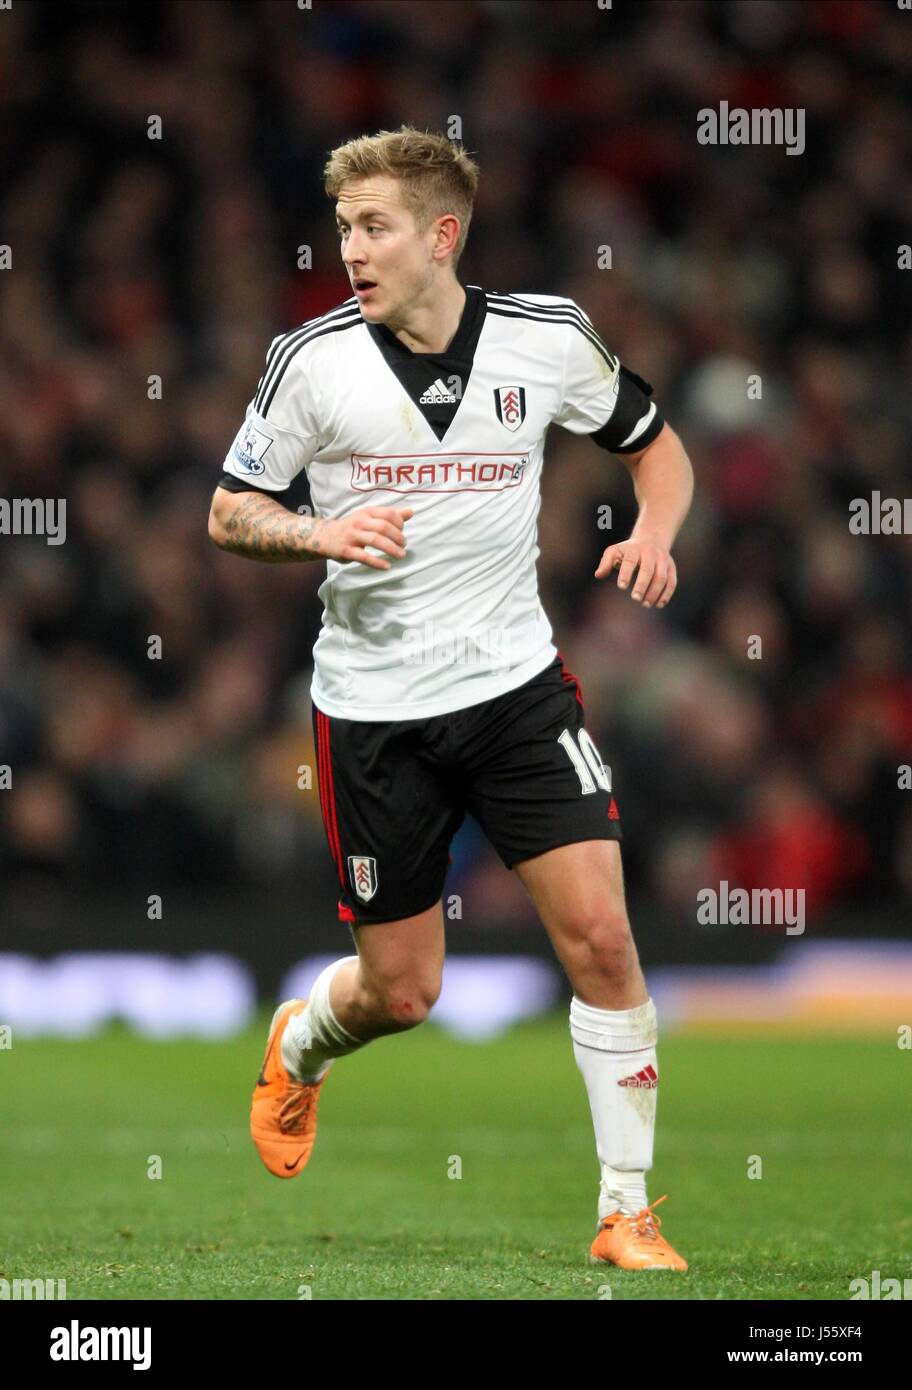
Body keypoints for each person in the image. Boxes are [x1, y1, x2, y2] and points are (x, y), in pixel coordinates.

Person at [208, 125, 694, 1271]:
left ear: (442, 235)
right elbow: (230, 511)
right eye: (342, 230)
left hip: (517, 692)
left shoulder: (548, 340)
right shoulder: (311, 361)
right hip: (373, 713)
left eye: (373, 228)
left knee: (604, 939)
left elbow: (655, 445)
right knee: (404, 990)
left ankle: (626, 1209)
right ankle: (303, 1043)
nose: (352, 251)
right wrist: (319, 531)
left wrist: (659, 533)